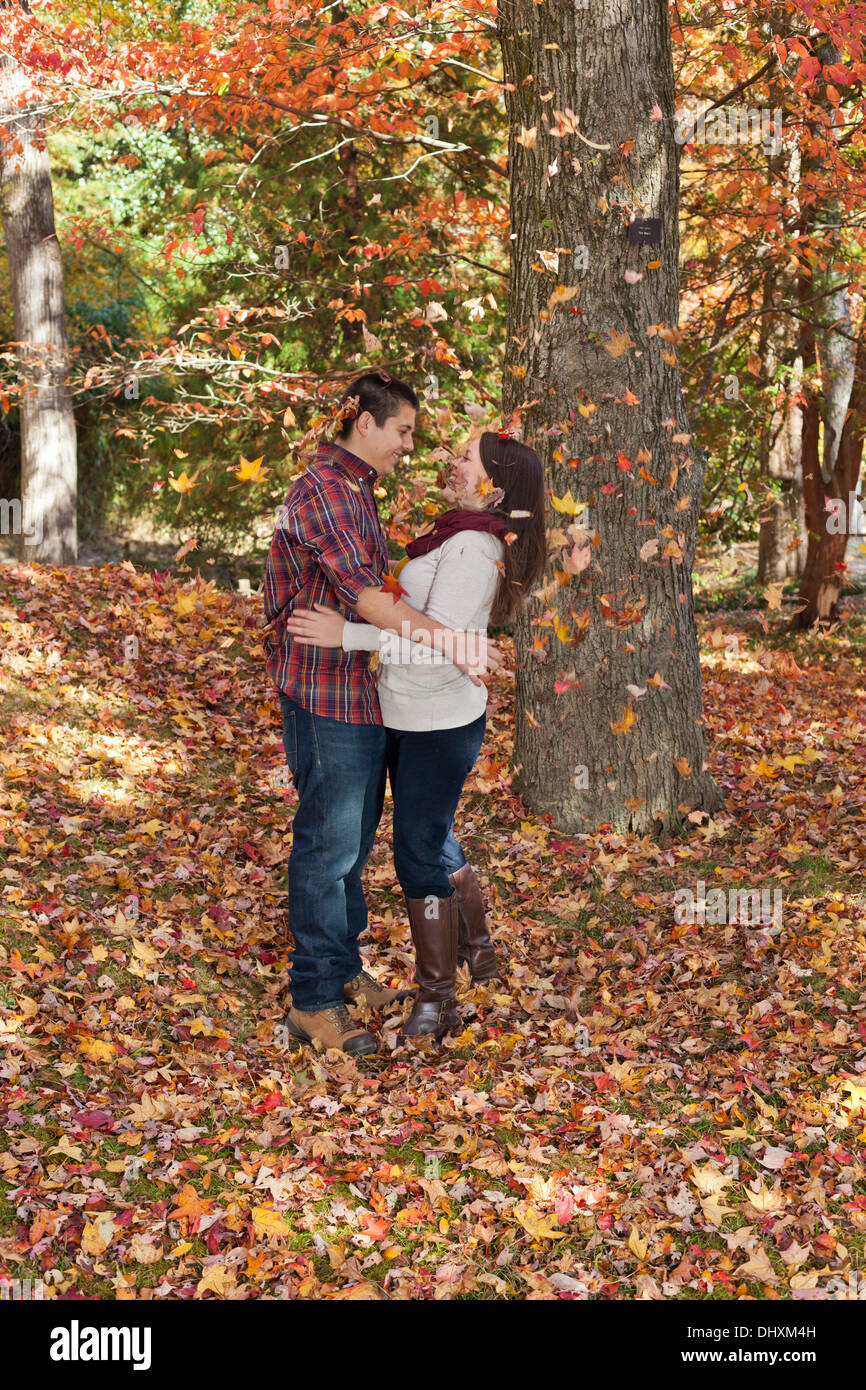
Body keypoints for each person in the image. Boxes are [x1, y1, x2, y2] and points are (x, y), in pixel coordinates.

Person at [263, 373, 501, 1056]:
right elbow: (369, 599)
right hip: (322, 691)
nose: (409, 447)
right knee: (327, 847)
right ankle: (312, 1001)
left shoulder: (357, 489)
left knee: (351, 847)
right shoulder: (324, 491)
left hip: (359, 691)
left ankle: (342, 972)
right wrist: (453, 641)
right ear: (363, 422)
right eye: (402, 431)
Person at [286, 431, 546, 1039]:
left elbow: (441, 647)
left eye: (465, 459)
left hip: (438, 722)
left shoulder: (473, 551)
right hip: (404, 712)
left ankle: (437, 1002)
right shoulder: (453, 534)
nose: (450, 463)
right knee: (433, 834)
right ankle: (476, 949)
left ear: (496, 487)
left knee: (418, 855)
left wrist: (344, 636)